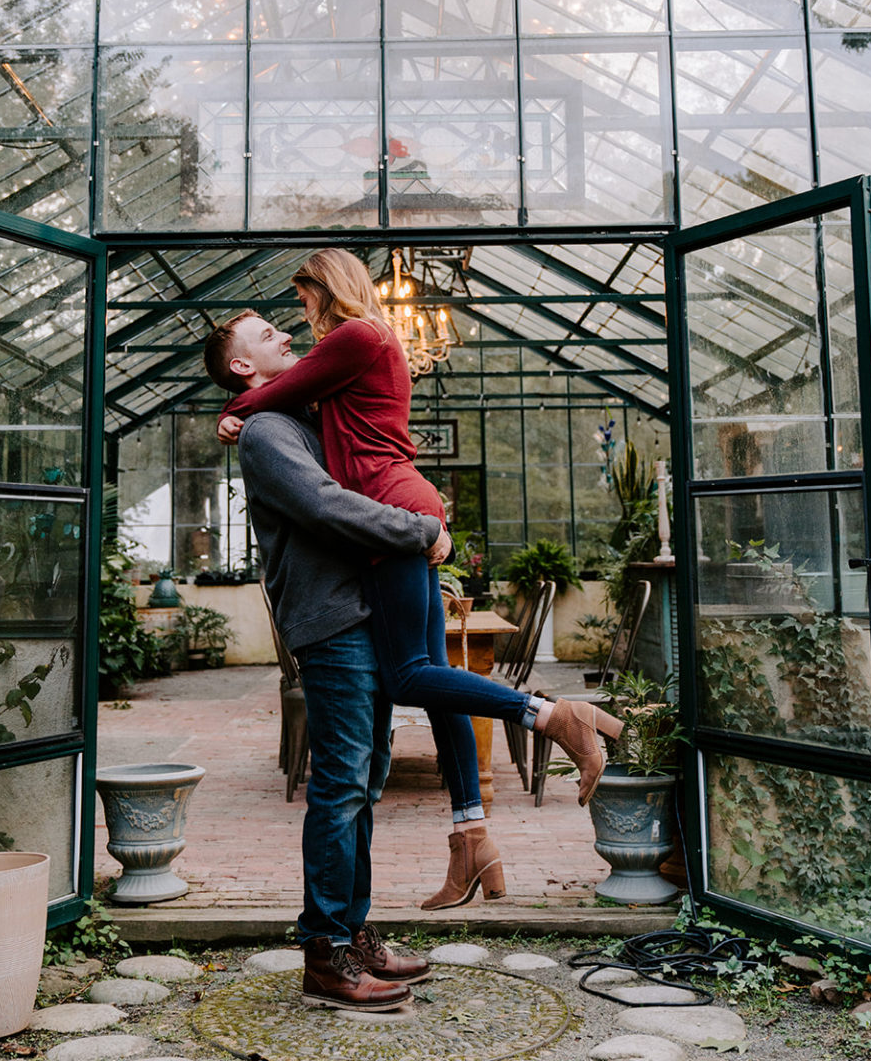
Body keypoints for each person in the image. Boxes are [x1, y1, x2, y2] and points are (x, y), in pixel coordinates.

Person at [213, 249, 622, 912]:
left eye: (302, 300)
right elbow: (301, 418)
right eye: (272, 330)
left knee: (409, 676)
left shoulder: (356, 336)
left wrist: (231, 412)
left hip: (394, 513)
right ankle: (470, 835)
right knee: (434, 680)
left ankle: (553, 715)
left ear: (325, 288)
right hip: (401, 508)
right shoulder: (347, 360)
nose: (296, 323)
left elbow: (273, 402)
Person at [203, 312, 447, 1012]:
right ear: (243, 368)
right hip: (330, 621)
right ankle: (324, 954)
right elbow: (327, 506)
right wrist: (420, 529)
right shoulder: (269, 432)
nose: (285, 335)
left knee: (365, 780)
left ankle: (353, 931)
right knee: (341, 786)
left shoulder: (307, 414)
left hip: (358, 613)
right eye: (265, 334)